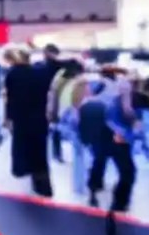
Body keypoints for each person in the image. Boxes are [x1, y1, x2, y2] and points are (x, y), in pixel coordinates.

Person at [82, 75, 138, 212]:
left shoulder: (96, 101)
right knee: (127, 171)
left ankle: (94, 191)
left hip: (103, 139)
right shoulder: (118, 101)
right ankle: (119, 201)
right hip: (117, 139)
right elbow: (125, 116)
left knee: (99, 163)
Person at [3, 48, 52, 197]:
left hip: (21, 118)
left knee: (22, 147)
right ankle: (43, 186)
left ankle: (23, 170)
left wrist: (8, 118)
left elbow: (10, 99)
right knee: (40, 152)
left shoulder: (12, 74)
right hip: (39, 118)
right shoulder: (40, 72)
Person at [53, 60, 91, 195]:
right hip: (78, 121)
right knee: (82, 154)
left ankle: (78, 186)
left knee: (78, 154)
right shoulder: (80, 84)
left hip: (66, 120)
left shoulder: (60, 82)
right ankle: (82, 185)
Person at [41, 44, 66, 163]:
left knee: (47, 127)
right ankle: (57, 153)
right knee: (55, 126)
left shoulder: (41, 67)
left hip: (46, 99)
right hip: (56, 98)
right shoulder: (61, 67)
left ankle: (51, 153)